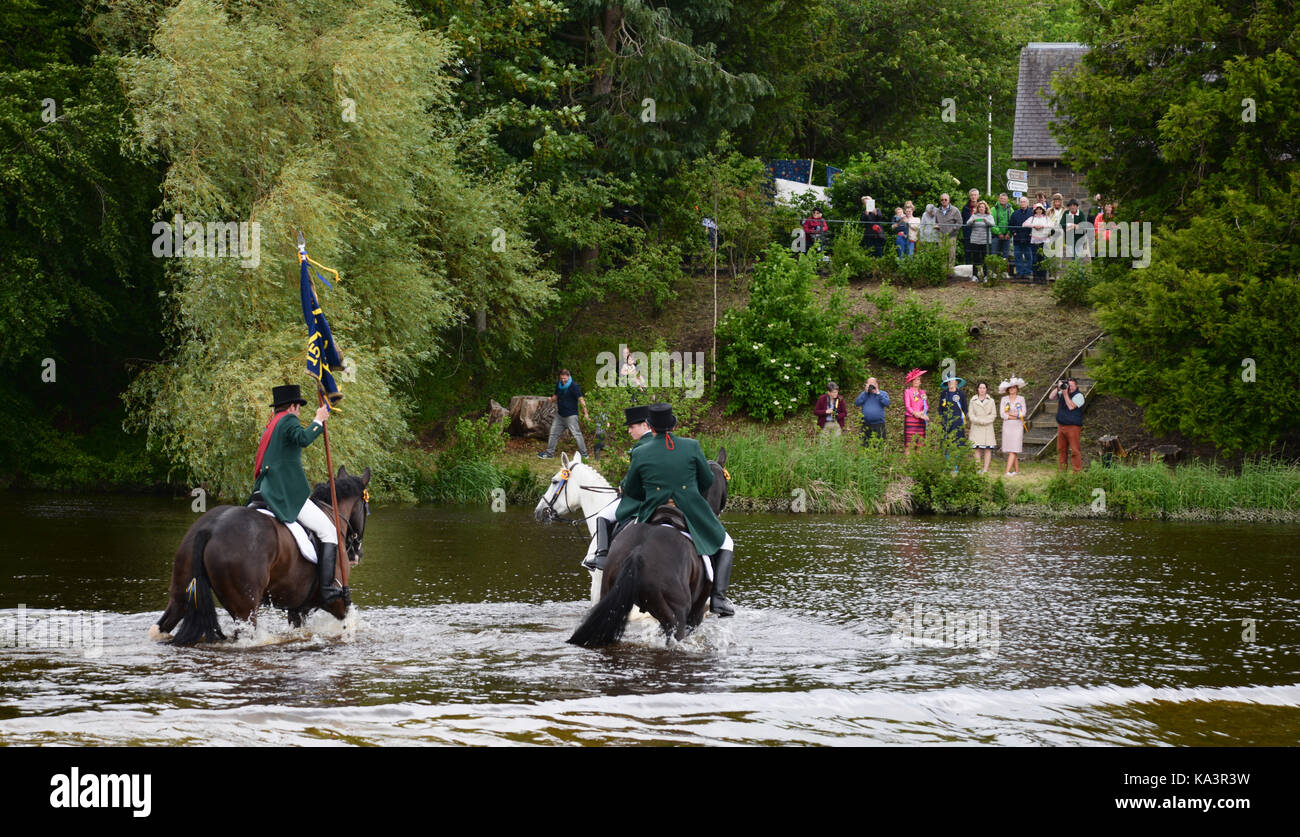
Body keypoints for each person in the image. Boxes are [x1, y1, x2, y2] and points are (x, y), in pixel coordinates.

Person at [607, 403, 736, 616]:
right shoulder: (691, 446)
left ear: (650, 426)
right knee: (726, 542)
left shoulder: (640, 451)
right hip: (688, 509)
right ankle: (718, 600)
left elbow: (632, 490)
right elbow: (707, 480)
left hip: (652, 510)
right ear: (673, 426)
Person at [252, 384, 342, 602]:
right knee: (329, 532)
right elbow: (303, 439)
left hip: (263, 489)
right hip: (285, 492)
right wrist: (319, 419)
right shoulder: (288, 420)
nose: (299, 411)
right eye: (298, 407)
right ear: (292, 406)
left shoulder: (271, 424)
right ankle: (327, 589)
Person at [582, 405, 652, 571]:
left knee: (602, 515)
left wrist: (623, 486)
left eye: (632, 427)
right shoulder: (661, 441)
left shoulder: (640, 447)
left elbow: (635, 478)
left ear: (645, 425)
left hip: (639, 499)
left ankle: (602, 557)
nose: (629, 431)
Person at [539, 368, 591, 459]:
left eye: (565, 379)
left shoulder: (574, 386)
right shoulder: (559, 385)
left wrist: (586, 413)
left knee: (576, 435)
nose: (563, 380)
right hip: (560, 415)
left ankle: (584, 455)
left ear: (569, 376)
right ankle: (549, 454)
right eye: (561, 378)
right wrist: (551, 399)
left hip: (571, 415)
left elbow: (581, 400)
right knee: (553, 433)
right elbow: (556, 395)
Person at [1051, 377, 1084, 472]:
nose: (1070, 388)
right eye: (1068, 385)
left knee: (1075, 450)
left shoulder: (1079, 396)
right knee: (1061, 450)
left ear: (1076, 386)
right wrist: (1058, 387)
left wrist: (1065, 394)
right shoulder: (1063, 392)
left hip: (1073, 427)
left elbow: (1071, 406)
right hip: (1061, 426)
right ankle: (1062, 472)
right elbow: (1051, 397)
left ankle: (1077, 473)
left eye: (1072, 386)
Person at [999, 376, 1027, 476]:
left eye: (1014, 387)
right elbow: (1002, 414)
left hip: (1017, 426)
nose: (1012, 389)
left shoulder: (1021, 399)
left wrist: (1010, 415)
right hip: (1007, 426)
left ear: (1017, 388)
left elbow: (1023, 413)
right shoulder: (1004, 399)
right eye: (1010, 388)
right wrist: (1014, 415)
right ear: (1007, 389)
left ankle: (1007, 472)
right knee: (1011, 448)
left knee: (1014, 448)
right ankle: (1017, 471)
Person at [967, 382, 997, 473]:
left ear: (986, 389)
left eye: (984, 388)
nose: (982, 390)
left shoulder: (991, 401)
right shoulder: (973, 400)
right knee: (977, 448)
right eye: (980, 388)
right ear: (977, 389)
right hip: (976, 427)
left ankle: (985, 469)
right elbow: (970, 414)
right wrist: (978, 420)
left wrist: (985, 421)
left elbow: (993, 414)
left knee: (988, 449)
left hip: (988, 427)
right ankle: (978, 469)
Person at [854, 376, 890, 444]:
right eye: (869, 383)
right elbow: (857, 403)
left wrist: (878, 393)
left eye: (872, 383)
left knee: (879, 445)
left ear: (876, 384)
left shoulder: (883, 393)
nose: (871, 385)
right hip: (866, 424)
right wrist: (865, 393)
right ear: (866, 385)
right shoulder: (864, 394)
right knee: (865, 445)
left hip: (879, 424)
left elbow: (887, 403)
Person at [967, 200, 995, 282]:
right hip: (975, 240)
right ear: (978, 208)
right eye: (980, 207)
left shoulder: (989, 216)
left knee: (985, 258)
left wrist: (986, 221)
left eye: (983, 207)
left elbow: (993, 224)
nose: (981, 208)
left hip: (986, 241)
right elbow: (967, 223)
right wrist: (973, 221)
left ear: (985, 208)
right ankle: (975, 276)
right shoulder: (974, 215)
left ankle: (986, 276)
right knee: (975, 258)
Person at [938, 372, 968, 446]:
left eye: (952, 381)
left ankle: (957, 457)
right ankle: (946, 457)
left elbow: (965, 408)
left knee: (958, 442)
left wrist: (959, 418)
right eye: (949, 381)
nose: (951, 383)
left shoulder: (961, 394)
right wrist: (943, 418)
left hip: (958, 422)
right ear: (947, 383)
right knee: (946, 442)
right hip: (946, 422)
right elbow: (940, 409)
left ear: (956, 382)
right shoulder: (944, 394)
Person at [903, 368, 928, 454]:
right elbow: (907, 406)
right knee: (909, 444)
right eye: (916, 379)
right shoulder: (908, 391)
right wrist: (915, 413)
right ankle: (908, 465)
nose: (917, 381)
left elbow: (926, 406)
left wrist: (922, 413)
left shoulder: (923, 392)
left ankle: (918, 465)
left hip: (921, 421)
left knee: (920, 444)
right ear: (912, 381)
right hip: (911, 420)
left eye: (919, 379)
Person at [934, 193, 962, 268]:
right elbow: (935, 222)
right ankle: (943, 272)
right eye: (942, 200)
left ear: (949, 200)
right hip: (941, 235)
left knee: (951, 254)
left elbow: (959, 223)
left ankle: (950, 272)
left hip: (951, 236)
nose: (944, 201)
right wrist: (936, 226)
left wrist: (952, 229)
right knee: (941, 254)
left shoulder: (955, 210)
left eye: (945, 199)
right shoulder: (937, 211)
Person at [1009, 196, 1034, 280]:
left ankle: (1027, 273)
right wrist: (1014, 233)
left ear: (1027, 203)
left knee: (1028, 257)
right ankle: (1019, 273)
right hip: (1017, 239)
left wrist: (1032, 233)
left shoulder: (1031, 213)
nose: (1022, 203)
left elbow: (1034, 225)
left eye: (1024, 202)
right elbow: (1010, 225)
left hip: (1028, 239)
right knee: (1018, 257)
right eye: (1021, 202)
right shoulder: (1015, 213)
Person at [1028, 204, 1054, 283]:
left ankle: (1043, 278)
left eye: (1040, 209)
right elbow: (1025, 224)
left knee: (1043, 259)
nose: (1039, 210)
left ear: (1043, 210)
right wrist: (1034, 226)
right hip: (1034, 241)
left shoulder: (1046, 218)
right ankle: (1036, 277)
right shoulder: (1032, 219)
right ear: (1035, 210)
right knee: (1035, 259)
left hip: (1044, 241)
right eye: (1037, 209)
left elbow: (1052, 226)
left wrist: (1043, 226)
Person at [990, 192, 1014, 269]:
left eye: (1004, 199)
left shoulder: (1010, 209)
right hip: (996, 236)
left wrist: (1009, 233)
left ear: (1007, 200)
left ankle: (1003, 271)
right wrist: (999, 233)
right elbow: (992, 223)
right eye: (1001, 198)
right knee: (994, 254)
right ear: (998, 199)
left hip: (1007, 236)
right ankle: (993, 271)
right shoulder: (993, 209)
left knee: (1005, 255)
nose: (1003, 200)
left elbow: (1012, 223)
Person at [960, 188, 981, 265]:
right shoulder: (965, 208)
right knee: (968, 252)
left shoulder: (982, 207)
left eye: (975, 195)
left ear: (978, 196)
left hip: (979, 234)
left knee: (978, 253)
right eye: (972, 195)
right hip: (968, 234)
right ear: (969, 196)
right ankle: (968, 270)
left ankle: (978, 270)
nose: (973, 197)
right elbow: (963, 221)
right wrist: (965, 231)